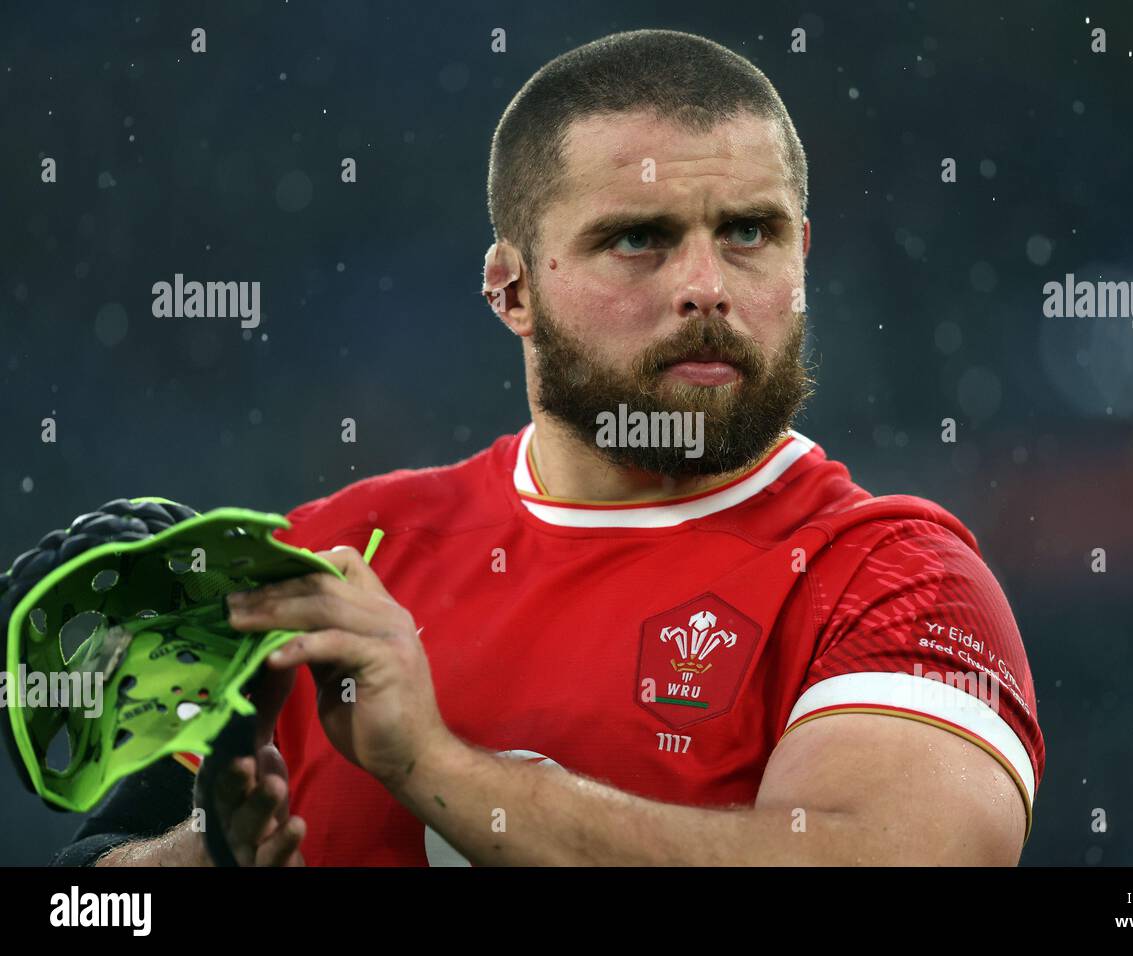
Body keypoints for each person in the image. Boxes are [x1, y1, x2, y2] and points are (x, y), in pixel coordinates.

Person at [60, 28, 1043, 867]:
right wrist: (212, 851)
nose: (706, 285)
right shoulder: (331, 552)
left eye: (748, 231)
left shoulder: (893, 577)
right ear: (513, 288)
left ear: (801, 255)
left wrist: (429, 766)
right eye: (638, 239)